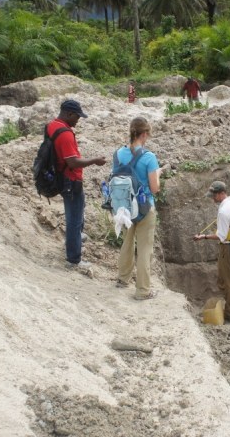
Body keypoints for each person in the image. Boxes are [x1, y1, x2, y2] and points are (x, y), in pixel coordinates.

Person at [49, 99, 107, 269]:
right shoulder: (66, 134)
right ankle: (74, 259)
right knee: (74, 218)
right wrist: (94, 160)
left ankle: (76, 237)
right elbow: (73, 162)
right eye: (77, 117)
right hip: (70, 179)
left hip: (61, 176)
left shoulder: (52, 125)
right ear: (69, 114)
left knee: (78, 208)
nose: (78, 121)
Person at [114, 117, 161, 300]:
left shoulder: (118, 154)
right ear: (143, 134)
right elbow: (155, 188)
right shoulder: (149, 157)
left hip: (124, 208)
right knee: (144, 249)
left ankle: (122, 279)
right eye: (148, 134)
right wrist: (157, 174)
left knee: (127, 243)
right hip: (144, 207)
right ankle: (142, 291)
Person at [193, 181, 230, 323]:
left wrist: (203, 237)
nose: (212, 198)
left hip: (226, 248)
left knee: (226, 282)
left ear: (221, 193)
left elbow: (220, 236)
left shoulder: (223, 211)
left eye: (214, 195)